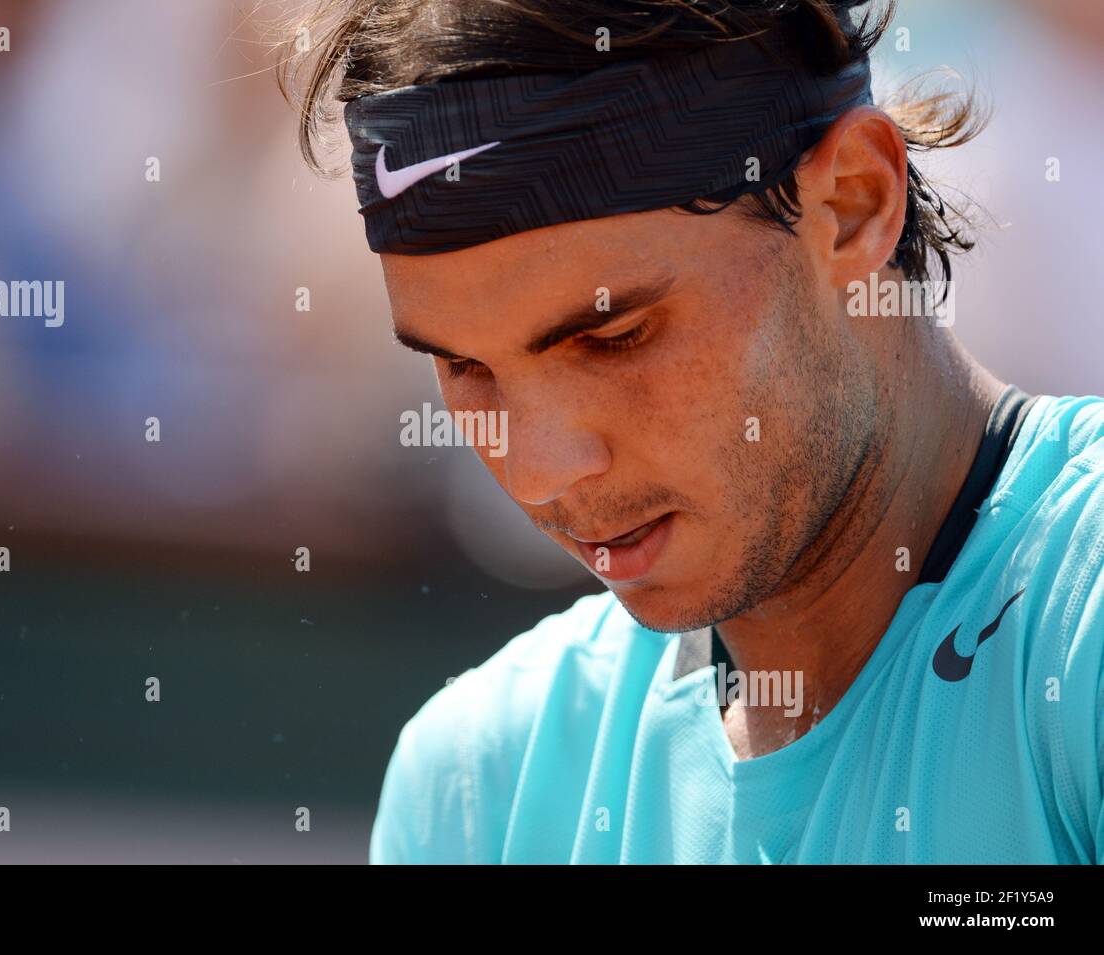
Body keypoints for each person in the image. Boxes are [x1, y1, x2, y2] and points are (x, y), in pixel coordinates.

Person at [280, 0, 1103, 863]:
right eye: (464, 368)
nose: (537, 474)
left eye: (613, 337)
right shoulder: (478, 780)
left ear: (854, 204)